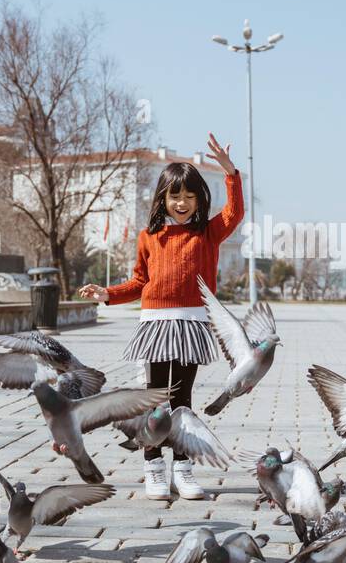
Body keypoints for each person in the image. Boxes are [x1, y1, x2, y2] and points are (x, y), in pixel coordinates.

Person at [78, 134, 242, 501]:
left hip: (191, 323)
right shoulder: (149, 237)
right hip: (154, 324)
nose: (181, 203)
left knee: (182, 399)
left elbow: (235, 213)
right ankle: (153, 466)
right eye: (174, 196)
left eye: (189, 196)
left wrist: (231, 173)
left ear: (199, 199)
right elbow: (139, 282)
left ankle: (182, 469)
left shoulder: (208, 233)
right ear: (163, 199)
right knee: (153, 399)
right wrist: (108, 294)